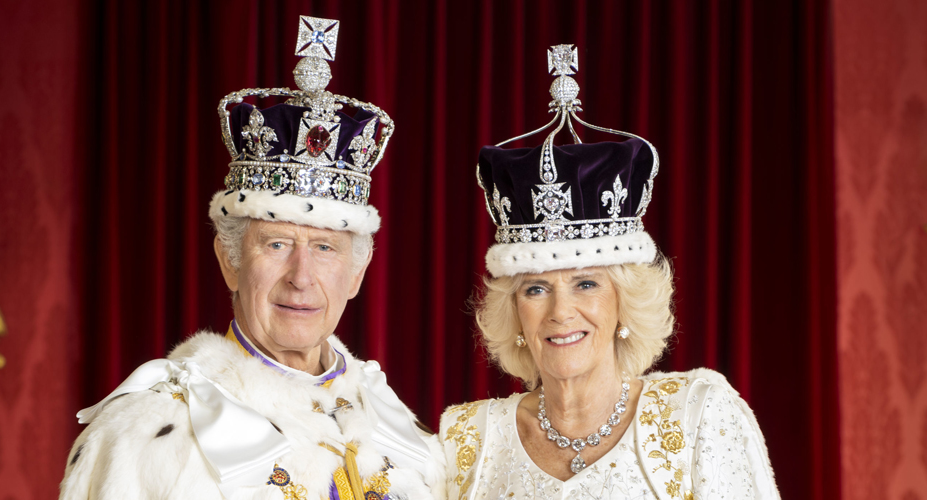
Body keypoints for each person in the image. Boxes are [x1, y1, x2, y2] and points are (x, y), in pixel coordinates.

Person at [59, 16, 444, 500]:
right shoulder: (150, 435)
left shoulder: (407, 439)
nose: (300, 278)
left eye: (325, 248)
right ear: (229, 260)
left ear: (357, 273)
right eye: (277, 244)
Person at [439, 45, 779, 499]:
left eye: (586, 283)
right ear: (514, 311)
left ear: (625, 300)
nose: (561, 312)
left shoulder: (698, 414)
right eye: (536, 288)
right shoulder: (466, 440)